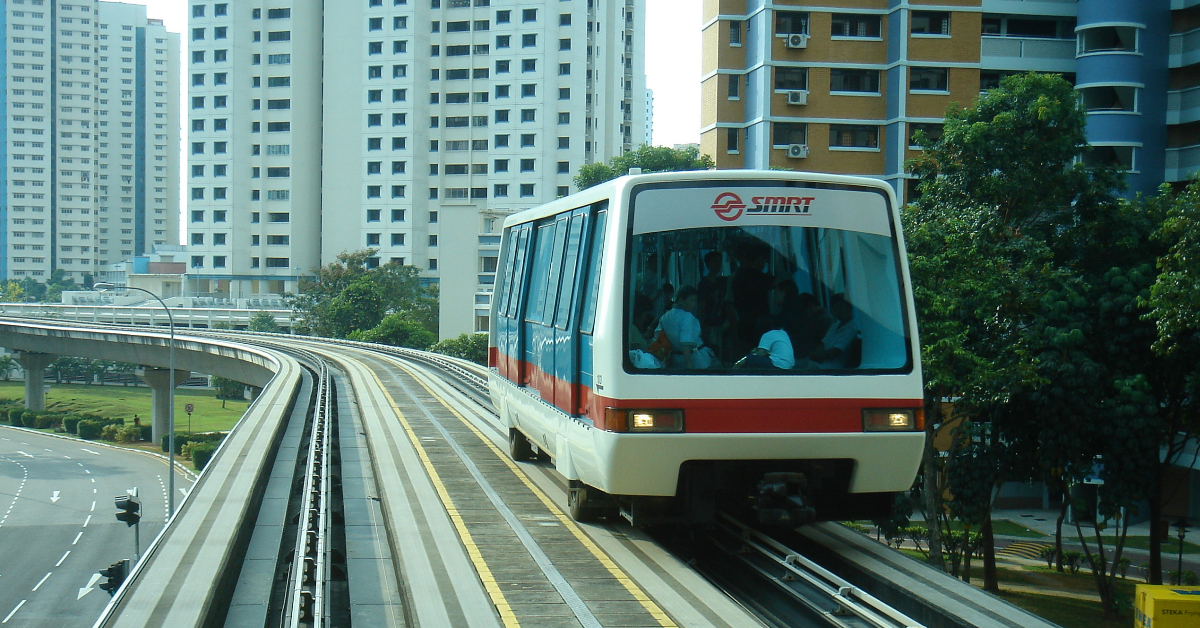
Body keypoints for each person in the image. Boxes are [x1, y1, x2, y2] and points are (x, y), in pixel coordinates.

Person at [655, 286, 716, 369]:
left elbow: (659, 337)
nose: (694, 304)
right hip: (696, 359)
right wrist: (689, 364)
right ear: (681, 300)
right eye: (691, 300)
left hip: (677, 360)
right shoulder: (687, 316)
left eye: (695, 301)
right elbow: (686, 343)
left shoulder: (665, 316)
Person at [808, 294, 860, 368]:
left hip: (835, 366)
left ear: (849, 308)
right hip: (822, 361)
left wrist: (819, 356)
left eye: (841, 308)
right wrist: (816, 353)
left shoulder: (852, 329)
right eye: (835, 309)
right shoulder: (835, 325)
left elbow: (836, 351)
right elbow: (823, 343)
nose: (838, 312)